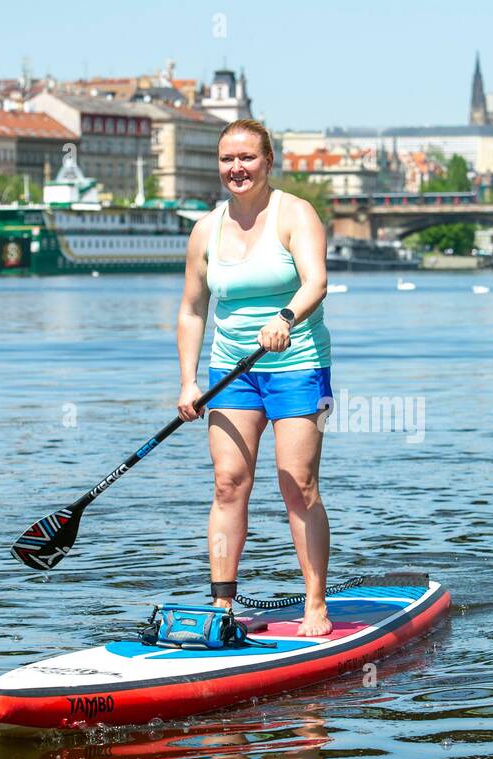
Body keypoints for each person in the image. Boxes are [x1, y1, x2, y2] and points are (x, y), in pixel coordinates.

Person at [175, 119, 334, 636]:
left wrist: (284, 318)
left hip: (295, 363)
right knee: (227, 484)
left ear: (268, 161)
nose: (236, 168)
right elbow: (192, 311)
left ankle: (314, 604)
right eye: (227, 160)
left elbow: (316, 282)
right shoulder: (206, 229)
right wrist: (188, 381)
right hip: (231, 372)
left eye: (247, 158)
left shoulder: (295, 213)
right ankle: (221, 606)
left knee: (297, 485)